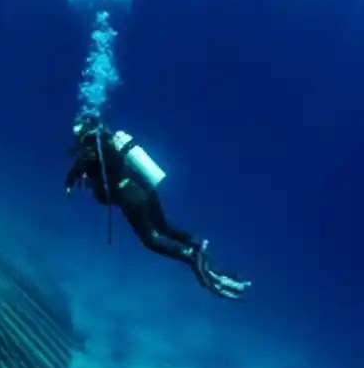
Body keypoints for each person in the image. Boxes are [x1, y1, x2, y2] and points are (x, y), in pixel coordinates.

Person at [65, 113, 251, 300]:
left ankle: (192, 256)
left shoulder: (93, 149)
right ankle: (197, 244)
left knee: (151, 240)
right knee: (164, 227)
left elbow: (82, 168)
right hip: (145, 189)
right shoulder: (111, 142)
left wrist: (70, 181)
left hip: (131, 198)